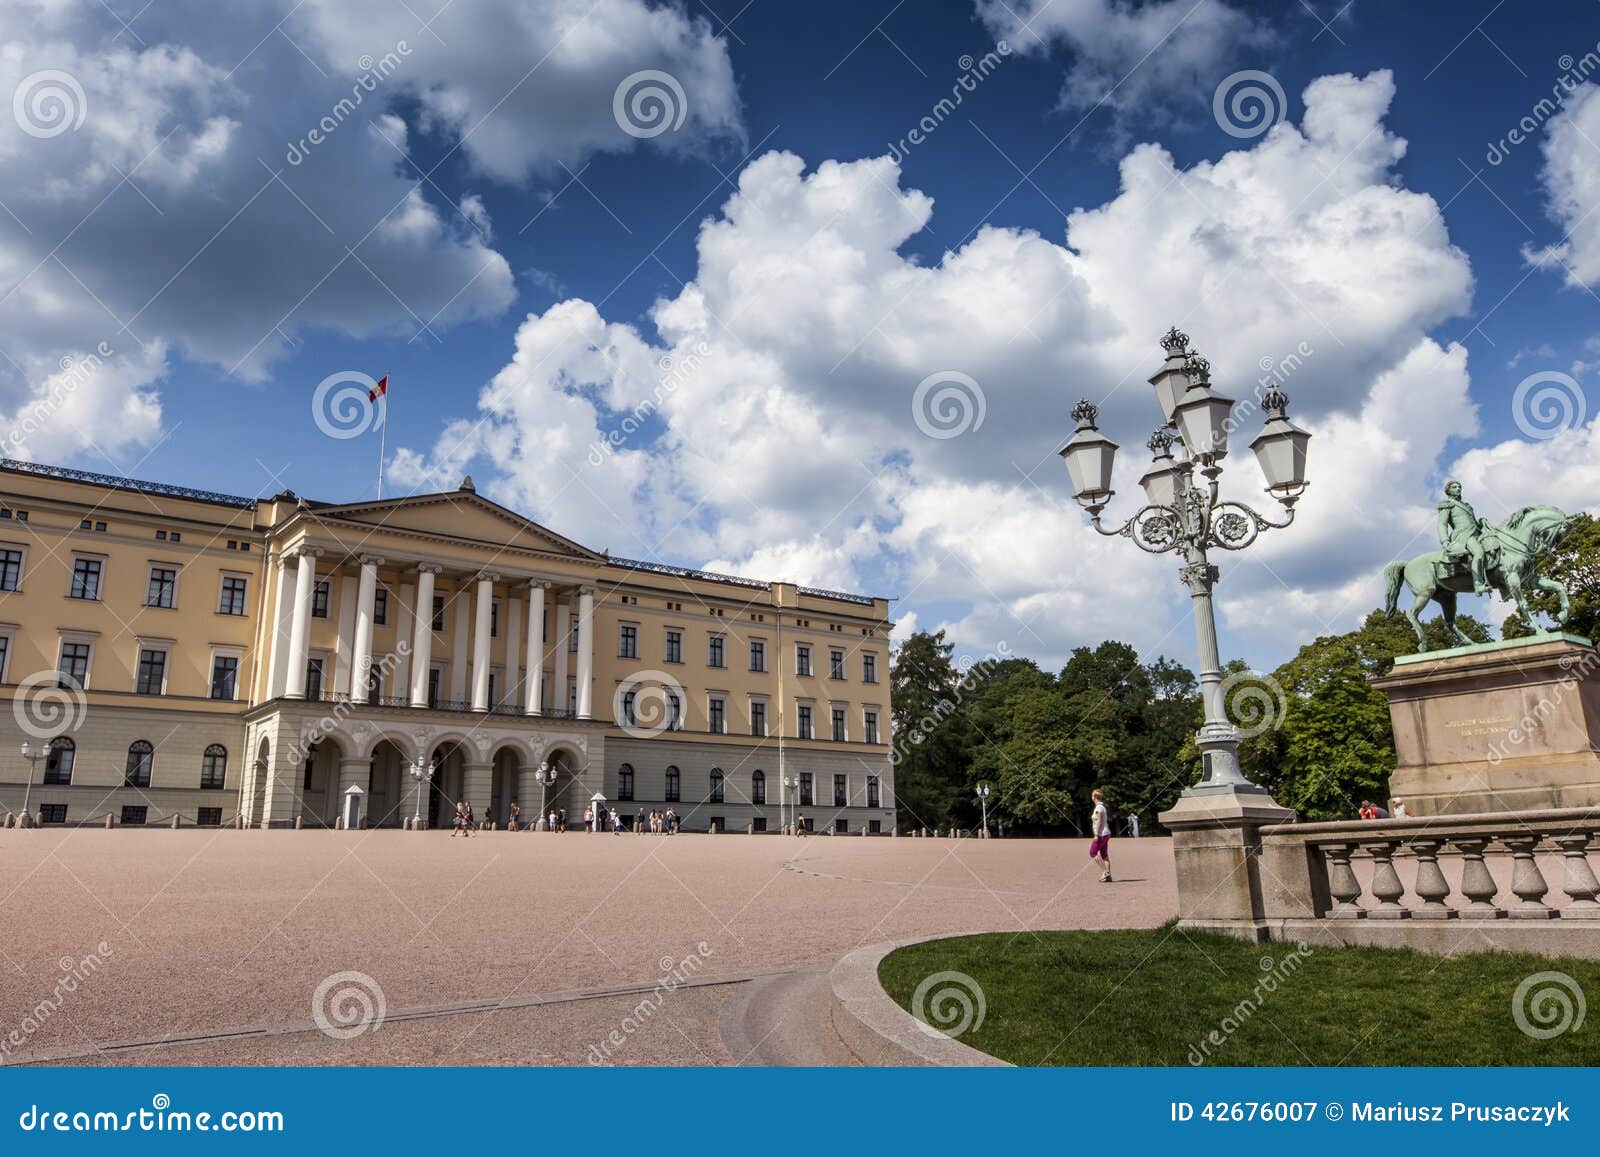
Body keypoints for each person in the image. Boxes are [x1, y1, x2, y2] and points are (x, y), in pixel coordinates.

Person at [1438, 480, 1490, 595]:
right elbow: (1442, 524)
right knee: (1479, 553)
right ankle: (1478, 585)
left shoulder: (1467, 506)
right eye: (1455, 487)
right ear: (1448, 490)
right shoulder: (1447, 504)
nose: (1458, 488)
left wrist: (1481, 522)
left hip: (1476, 533)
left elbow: (1473, 523)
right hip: (1463, 535)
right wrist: (1445, 540)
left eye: (1459, 487)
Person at [1089, 789, 1111, 882]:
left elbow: (1099, 821)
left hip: (1101, 834)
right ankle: (1108, 876)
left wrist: (1096, 835)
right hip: (1106, 833)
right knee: (1104, 855)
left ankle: (1106, 872)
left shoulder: (1098, 808)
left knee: (1092, 852)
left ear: (1094, 797)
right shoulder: (1102, 807)